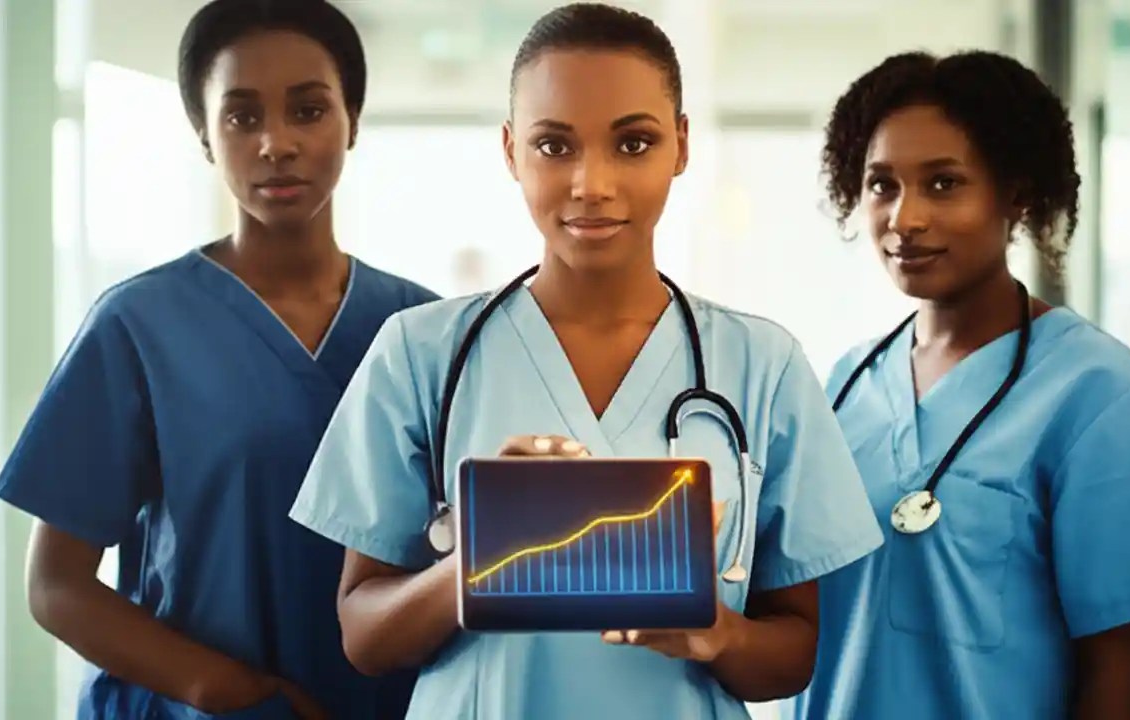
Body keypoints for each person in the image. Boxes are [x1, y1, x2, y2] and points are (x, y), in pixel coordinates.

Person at [288, 3, 883, 719]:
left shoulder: (763, 365)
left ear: (681, 146)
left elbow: (793, 656)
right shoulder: (419, 354)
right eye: (554, 146)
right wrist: (478, 558)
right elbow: (365, 638)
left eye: (633, 144)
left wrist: (715, 632)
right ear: (510, 151)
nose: (591, 183)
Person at [0, 1, 437, 717]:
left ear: (352, 119)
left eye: (308, 109)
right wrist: (226, 692)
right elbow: (55, 586)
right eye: (241, 117)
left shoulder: (423, 329)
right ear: (204, 136)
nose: (275, 143)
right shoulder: (138, 325)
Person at [786, 50, 1130, 720]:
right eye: (882, 184)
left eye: (944, 183)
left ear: (1016, 193)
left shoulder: (1100, 395)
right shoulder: (847, 381)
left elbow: (1118, 677)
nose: (905, 217)